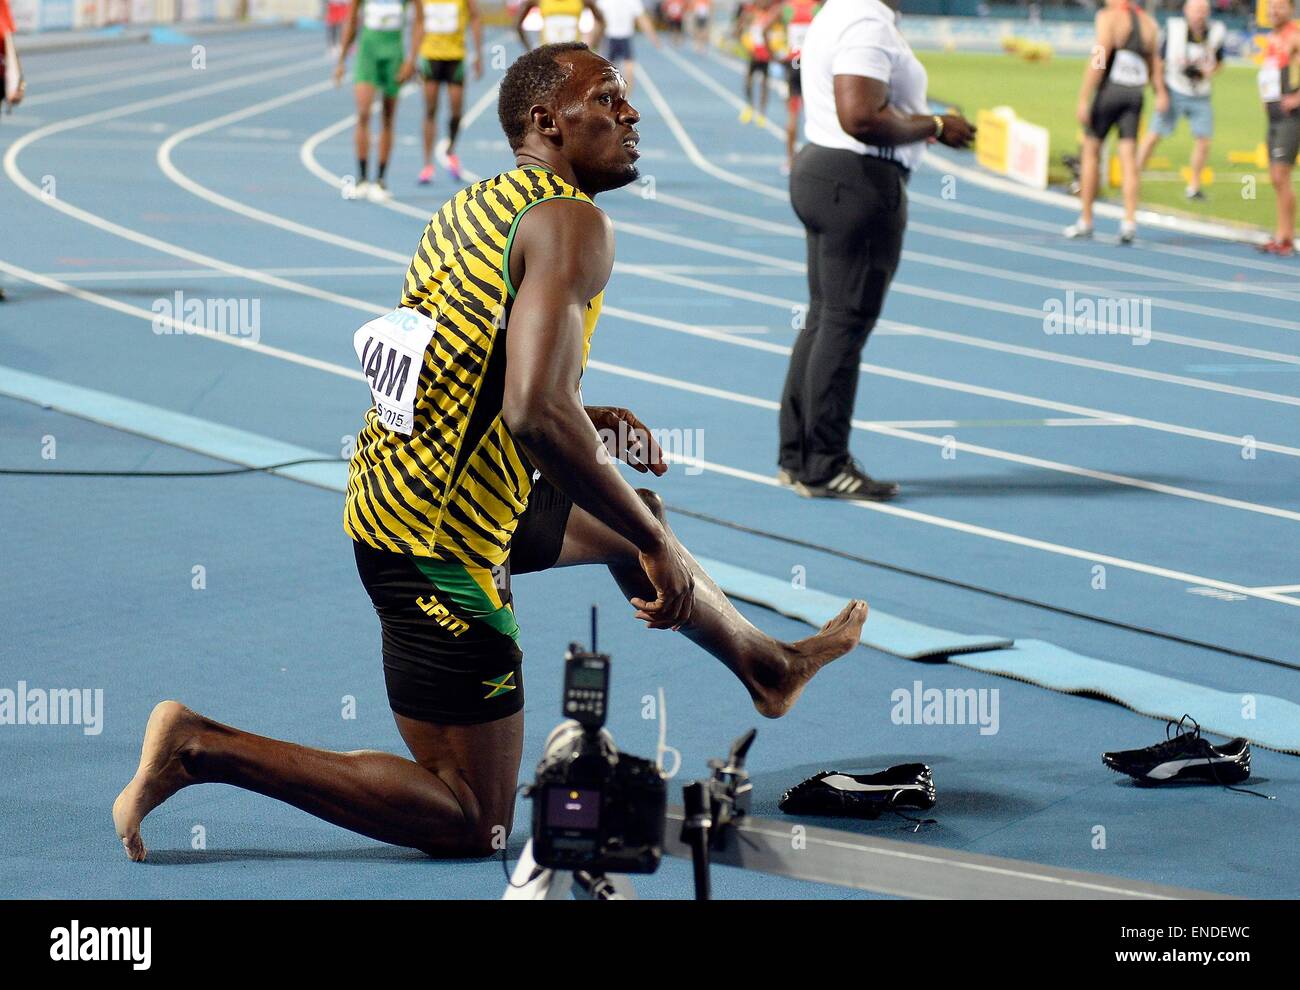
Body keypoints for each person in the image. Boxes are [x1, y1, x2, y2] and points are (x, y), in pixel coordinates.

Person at [112, 43, 868, 864]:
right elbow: (533, 410)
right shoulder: (575, 223)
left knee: (627, 515)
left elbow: (466, 369)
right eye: (608, 97)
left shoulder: (477, 207)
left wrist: (593, 417)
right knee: (476, 820)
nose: (631, 113)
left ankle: (767, 667)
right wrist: (656, 549)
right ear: (547, 121)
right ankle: (201, 748)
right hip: (437, 548)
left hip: (400, 496)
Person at [778, 0, 973, 501]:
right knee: (843, 322)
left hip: (828, 171)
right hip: (857, 180)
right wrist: (934, 125)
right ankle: (824, 463)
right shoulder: (866, 20)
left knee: (825, 317)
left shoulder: (840, 12)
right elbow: (860, 115)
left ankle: (799, 458)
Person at [1065, 0, 1160, 244]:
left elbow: (1101, 53)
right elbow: (1154, 66)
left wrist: (1085, 96)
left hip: (1110, 93)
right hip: (1135, 96)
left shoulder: (1109, 17)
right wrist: (1158, 92)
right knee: (1128, 159)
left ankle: (1086, 220)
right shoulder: (1149, 23)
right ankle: (1129, 222)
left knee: (1090, 152)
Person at [334, 0, 421, 202]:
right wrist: (341, 60)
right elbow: (352, 19)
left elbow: (420, 21)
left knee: (388, 117)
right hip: (368, 53)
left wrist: (411, 60)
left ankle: (381, 180)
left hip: (393, 52)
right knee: (363, 113)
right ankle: (362, 179)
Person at [1137, 0, 1224, 201]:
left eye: (1203, 10)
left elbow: (1220, 62)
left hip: (1201, 94)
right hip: (1173, 89)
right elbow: (1157, 63)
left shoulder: (1216, 32)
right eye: (1196, 10)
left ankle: (1194, 186)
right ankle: (1134, 176)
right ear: (1186, 11)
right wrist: (1161, 93)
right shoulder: (1173, 30)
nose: (1199, 15)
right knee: (1153, 135)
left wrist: (1209, 71)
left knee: (1204, 140)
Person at [416, 0, 484, 184]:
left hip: (455, 57)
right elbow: (419, 21)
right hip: (430, 57)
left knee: (456, 112)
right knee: (430, 110)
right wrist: (413, 57)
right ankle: (427, 164)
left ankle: (450, 149)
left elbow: (476, 17)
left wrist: (478, 54)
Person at [1258, 0, 1300, 255]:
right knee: (1276, 178)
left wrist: (1297, 98)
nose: (1274, 11)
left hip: (1290, 117)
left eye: (1280, 7)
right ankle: (1280, 233)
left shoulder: (1294, 36)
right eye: (1271, 7)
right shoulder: (1272, 39)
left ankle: (1286, 238)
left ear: (1291, 10)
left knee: (1281, 176)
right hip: (1273, 116)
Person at [767, 0, 821, 175]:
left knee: (792, 113)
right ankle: (818, 161)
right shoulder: (817, 9)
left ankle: (790, 161)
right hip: (812, 63)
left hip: (794, 63)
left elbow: (764, 29)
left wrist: (774, 55)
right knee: (815, 115)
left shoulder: (787, 8)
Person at [597, 0, 660, 93]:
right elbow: (598, 20)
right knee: (608, 71)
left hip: (624, 37)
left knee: (628, 69)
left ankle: (626, 97)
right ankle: (610, 95)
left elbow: (642, 19)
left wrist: (653, 36)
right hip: (610, 37)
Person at [736, 0, 774, 126]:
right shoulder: (751, 13)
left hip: (765, 54)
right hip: (753, 53)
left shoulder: (771, 14)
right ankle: (750, 107)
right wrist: (744, 43)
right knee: (748, 81)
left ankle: (762, 113)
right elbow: (740, 28)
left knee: (764, 83)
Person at [516, 0, 606, 49]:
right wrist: (528, 47)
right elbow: (517, 24)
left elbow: (601, 21)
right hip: (548, 56)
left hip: (574, 55)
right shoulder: (538, 1)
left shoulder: (583, 1)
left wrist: (593, 44)